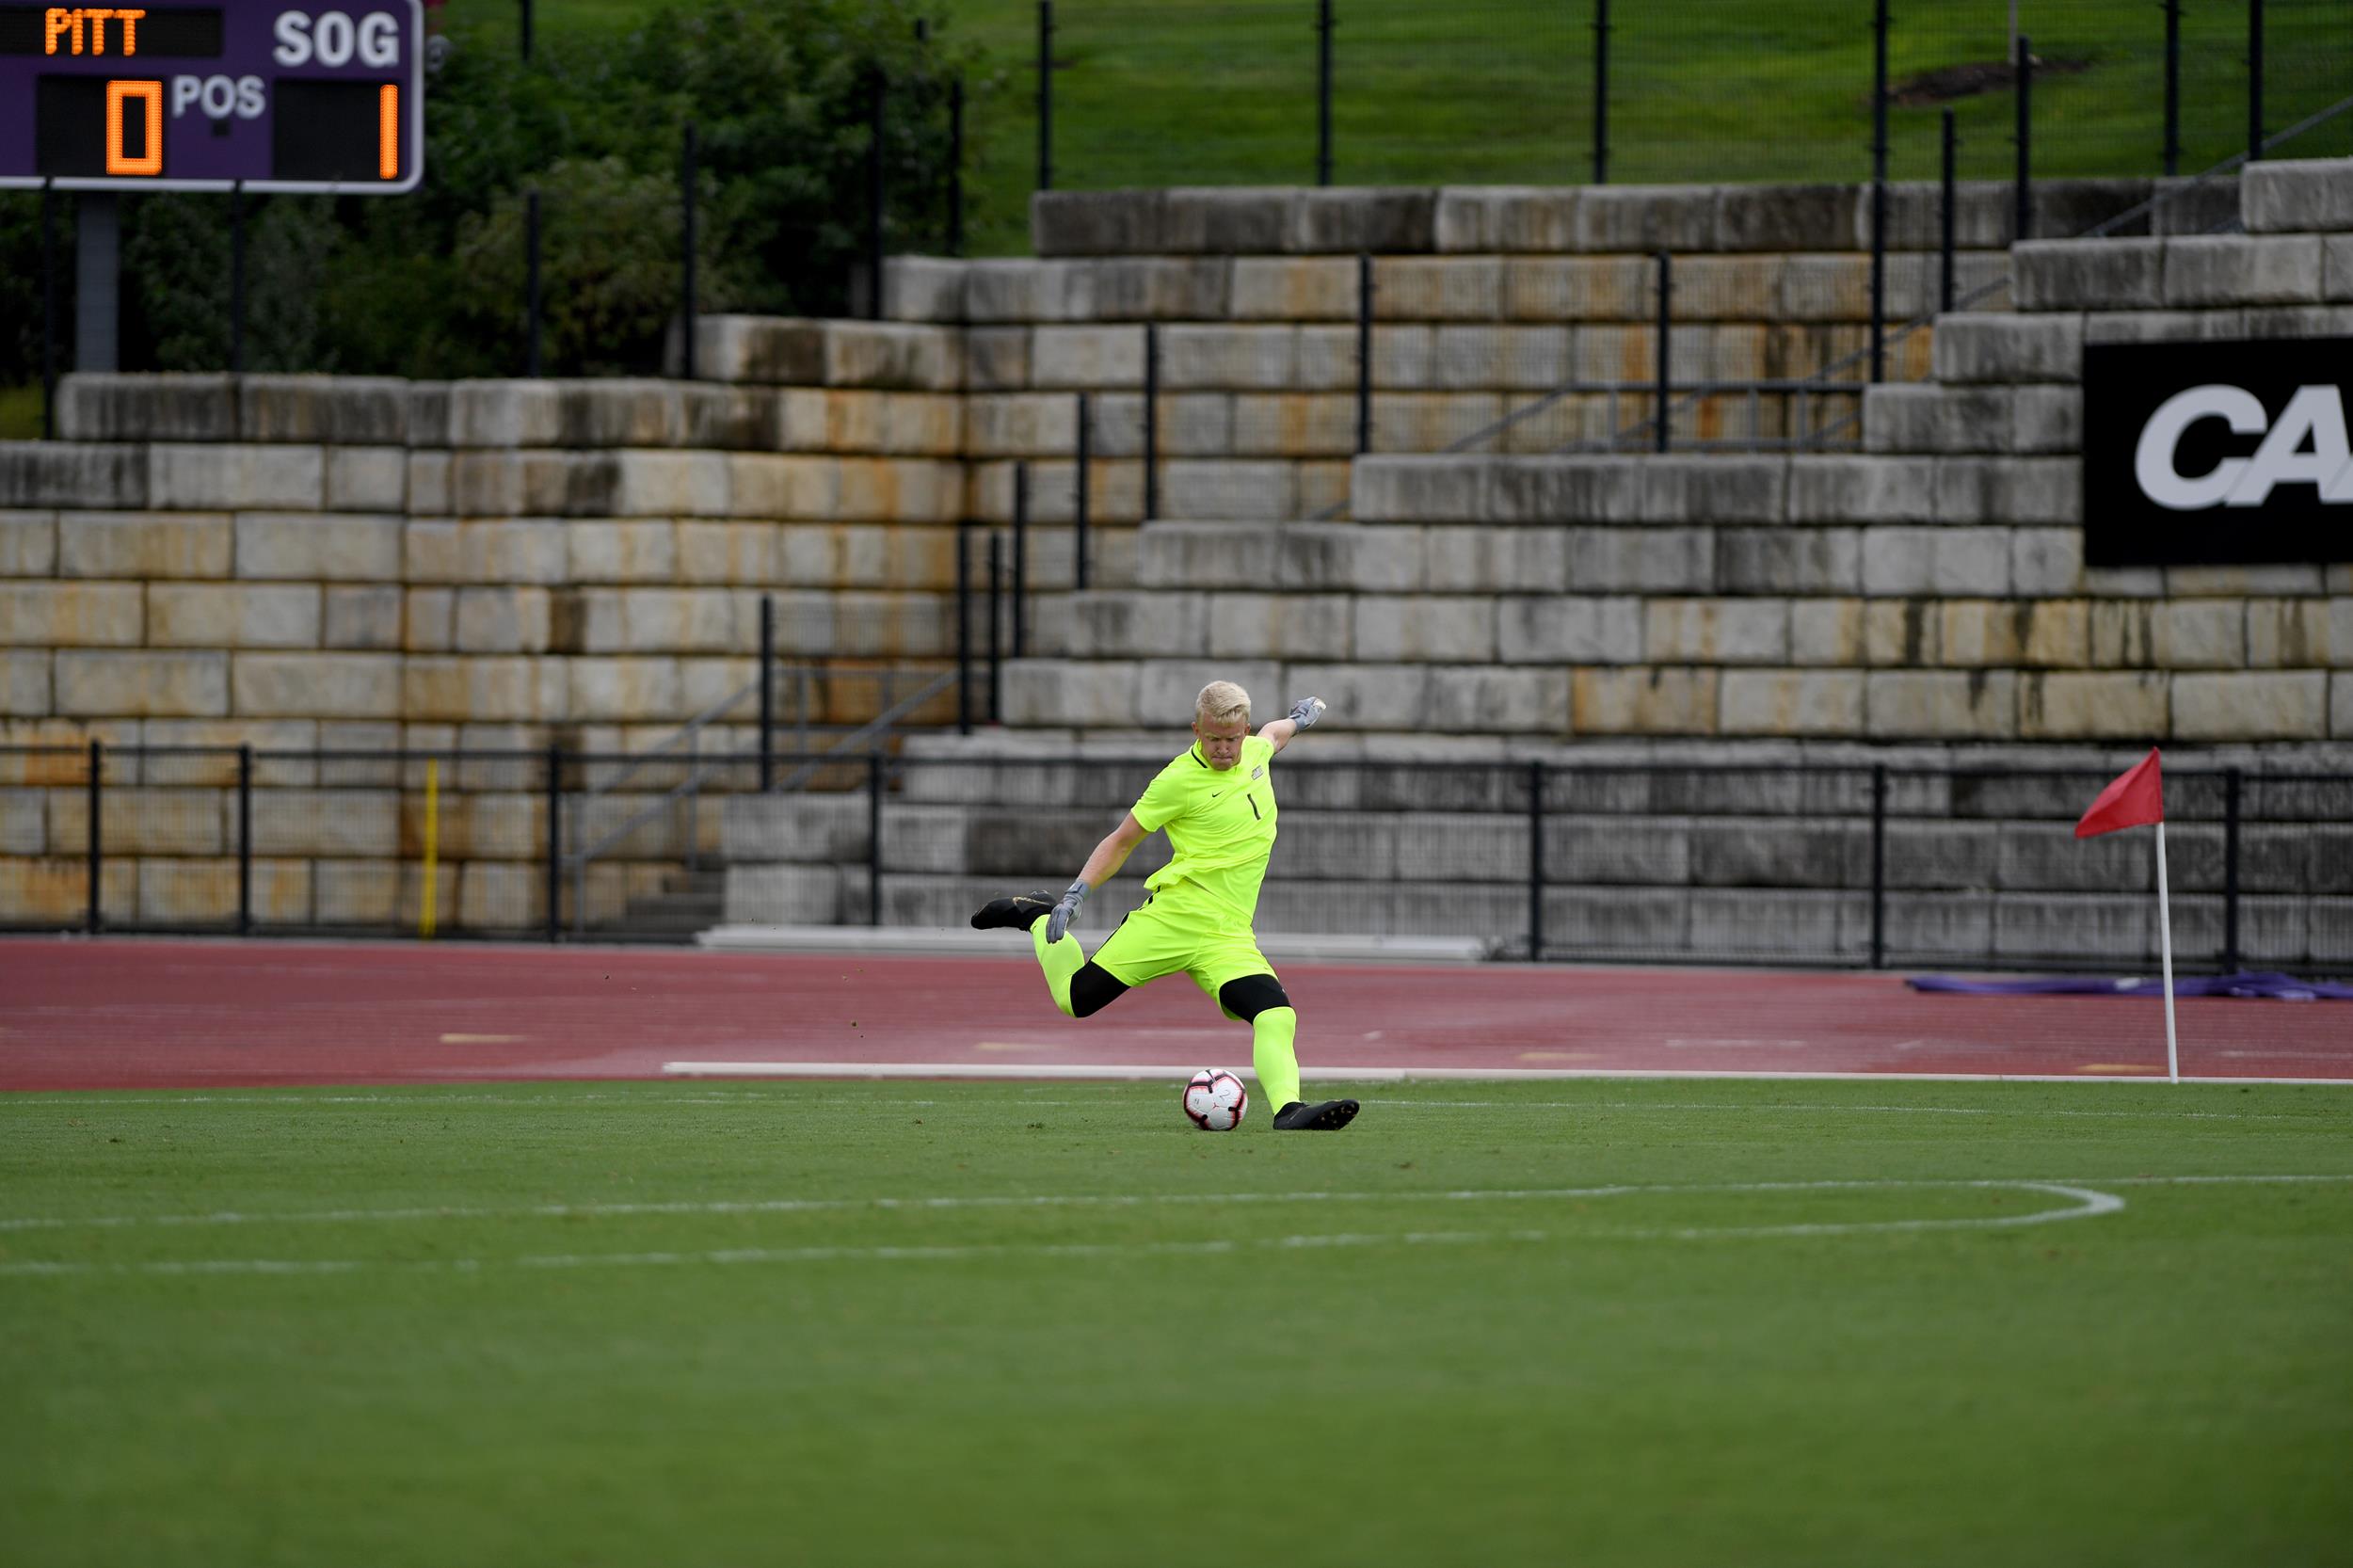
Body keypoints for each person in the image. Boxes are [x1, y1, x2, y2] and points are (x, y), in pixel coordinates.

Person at [970, 680, 1359, 1131]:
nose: (1223, 749)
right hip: (1173, 918)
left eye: (1231, 738)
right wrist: (1077, 893)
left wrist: (1298, 719)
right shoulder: (1176, 780)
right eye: (1212, 738)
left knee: (1276, 1015)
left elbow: (1274, 735)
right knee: (1074, 1000)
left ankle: (1288, 1110)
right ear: (1196, 730)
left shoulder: (1255, 752)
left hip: (1227, 934)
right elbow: (1121, 841)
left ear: (1244, 730)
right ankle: (1035, 916)